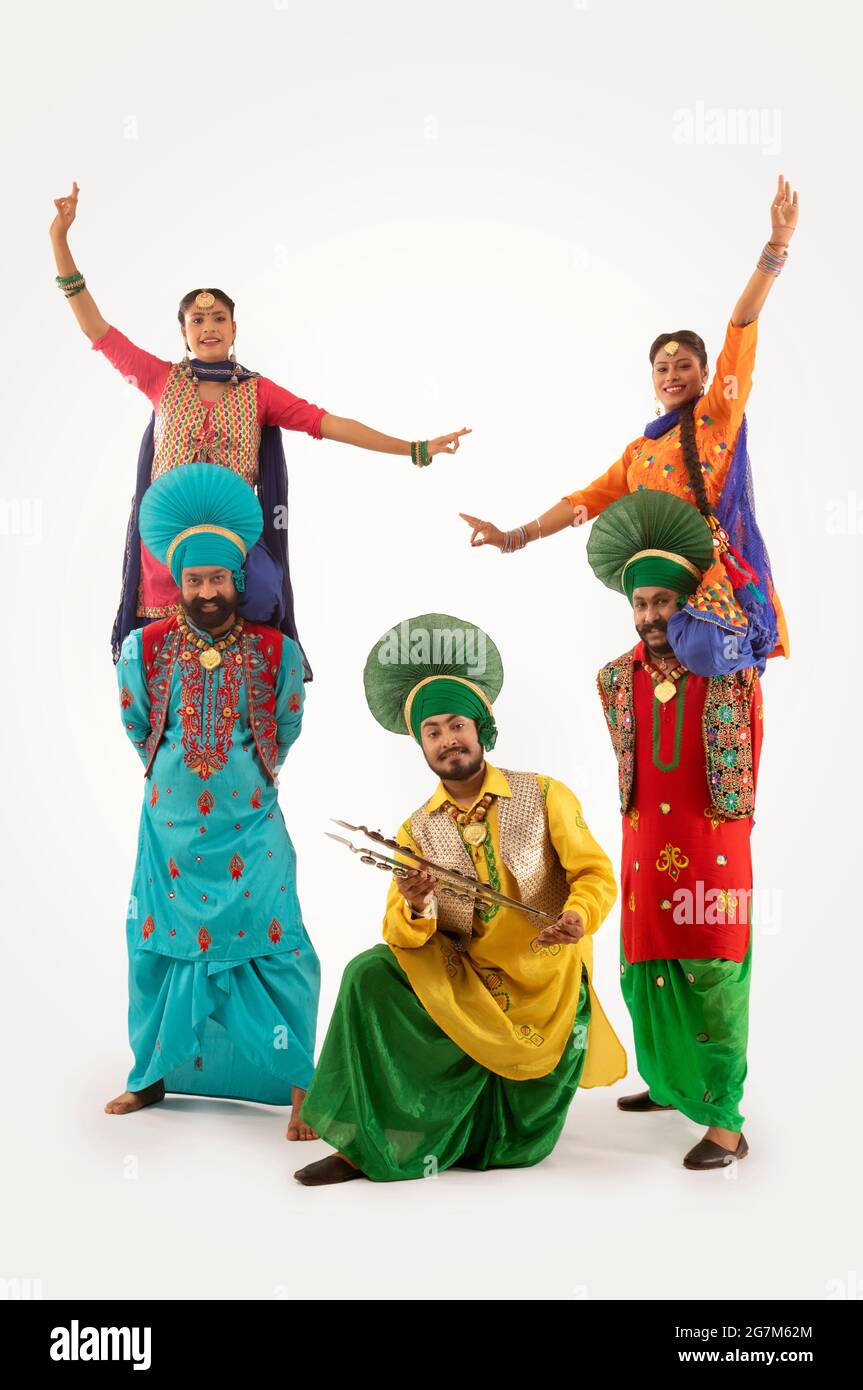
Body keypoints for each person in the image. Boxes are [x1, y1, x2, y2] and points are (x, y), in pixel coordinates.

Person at [49, 181, 470, 667]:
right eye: (197, 320)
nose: (209, 327)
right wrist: (60, 239)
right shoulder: (161, 379)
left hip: (233, 535)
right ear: (184, 333)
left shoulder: (259, 392)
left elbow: (328, 423)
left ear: (234, 329)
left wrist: (414, 447)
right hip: (165, 542)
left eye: (218, 318)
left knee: (262, 601)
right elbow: (96, 329)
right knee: (164, 659)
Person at [294, 612, 626, 1185]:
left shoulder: (544, 794)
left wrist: (578, 915)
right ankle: (359, 1144)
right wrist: (417, 905)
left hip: (542, 987)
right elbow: (401, 933)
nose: (447, 739)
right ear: (421, 745)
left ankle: (460, 1127)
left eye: (456, 725)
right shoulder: (416, 830)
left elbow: (594, 874)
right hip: (466, 979)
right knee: (369, 973)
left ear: (480, 728)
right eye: (433, 731)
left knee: (513, 1150)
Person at [461, 175, 799, 675]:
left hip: (713, 590)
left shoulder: (718, 417)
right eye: (662, 369)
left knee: (702, 650)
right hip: (660, 595)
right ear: (652, 381)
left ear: (706, 374)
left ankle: (742, 649)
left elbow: (741, 324)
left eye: (683, 366)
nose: (672, 375)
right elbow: (582, 502)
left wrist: (776, 246)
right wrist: (514, 536)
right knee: (635, 666)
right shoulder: (640, 453)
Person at [108, 461, 320, 1142]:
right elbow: (136, 722)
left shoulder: (276, 652)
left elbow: (286, 726)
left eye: (217, 579)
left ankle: (302, 1089)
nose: (206, 592)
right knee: (155, 949)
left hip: (252, 832)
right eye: (194, 580)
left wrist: (243, 780)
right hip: (167, 836)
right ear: (178, 582)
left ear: (237, 581)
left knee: (277, 946)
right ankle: (150, 1076)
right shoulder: (143, 648)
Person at [588, 490, 764, 1169]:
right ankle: (668, 1083)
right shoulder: (614, 679)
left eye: (663, 601)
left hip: (710, 851)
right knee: (645, 974)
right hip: (643, 851)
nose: (649, 615)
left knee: (712, 976)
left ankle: (724, 1124)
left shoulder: (731, 671)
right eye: (640, 603)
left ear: (689, 602)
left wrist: (721, 558)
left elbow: (751, 622)